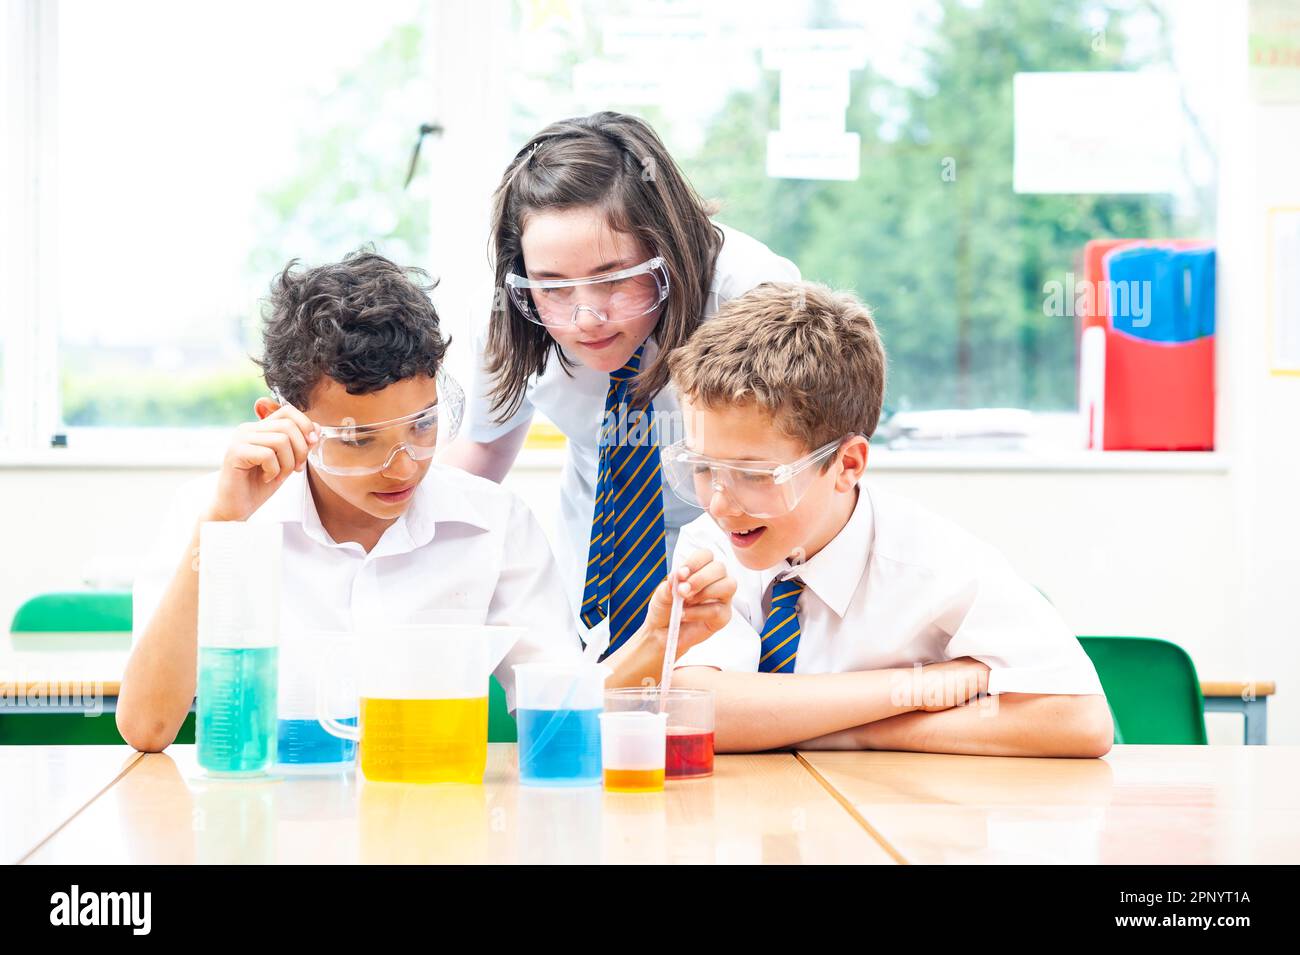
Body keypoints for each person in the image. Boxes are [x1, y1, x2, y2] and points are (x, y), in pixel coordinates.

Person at [116, 250, 735, 752]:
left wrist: (657, 639)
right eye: (360, 439)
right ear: (283, 419)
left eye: (422, 424)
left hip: (433, 821)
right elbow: (147, 728)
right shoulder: (217, 515)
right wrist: (224, 529)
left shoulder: (491, 526)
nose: (405, 464)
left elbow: (561, 717)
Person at [662, 281, 1113, 757]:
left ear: (848, 465)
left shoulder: (937, 566)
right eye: (703, 467)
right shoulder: (713, 541)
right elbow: (693, 711)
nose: (719, 503)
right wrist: (912, 690)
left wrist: (860, 732)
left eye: (754, 475)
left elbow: (1079, 720)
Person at [441, 111, 798, 655]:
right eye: (554, 288)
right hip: (597, 567)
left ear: (668, 249)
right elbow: (483, 452)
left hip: (741, 558)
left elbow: (804, 471)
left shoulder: (751, 296)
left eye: (614, 280)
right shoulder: (506, 316)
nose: (587, 319)